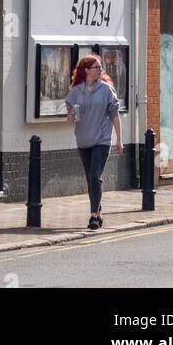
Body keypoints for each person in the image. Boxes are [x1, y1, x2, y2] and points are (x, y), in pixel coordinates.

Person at [64, 54, 123, 229]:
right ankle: (99, 211)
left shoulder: (106, 90)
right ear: (86, 70)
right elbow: (69, 120)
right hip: (83, 139)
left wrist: (119, 140)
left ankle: (93, 217)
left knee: (95, 176)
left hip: (101, 140)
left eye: (100, 67)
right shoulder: (76, 92)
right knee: (90, 180)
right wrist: (71, 115)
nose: (100, 70)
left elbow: (115, 115)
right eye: (96, 67)